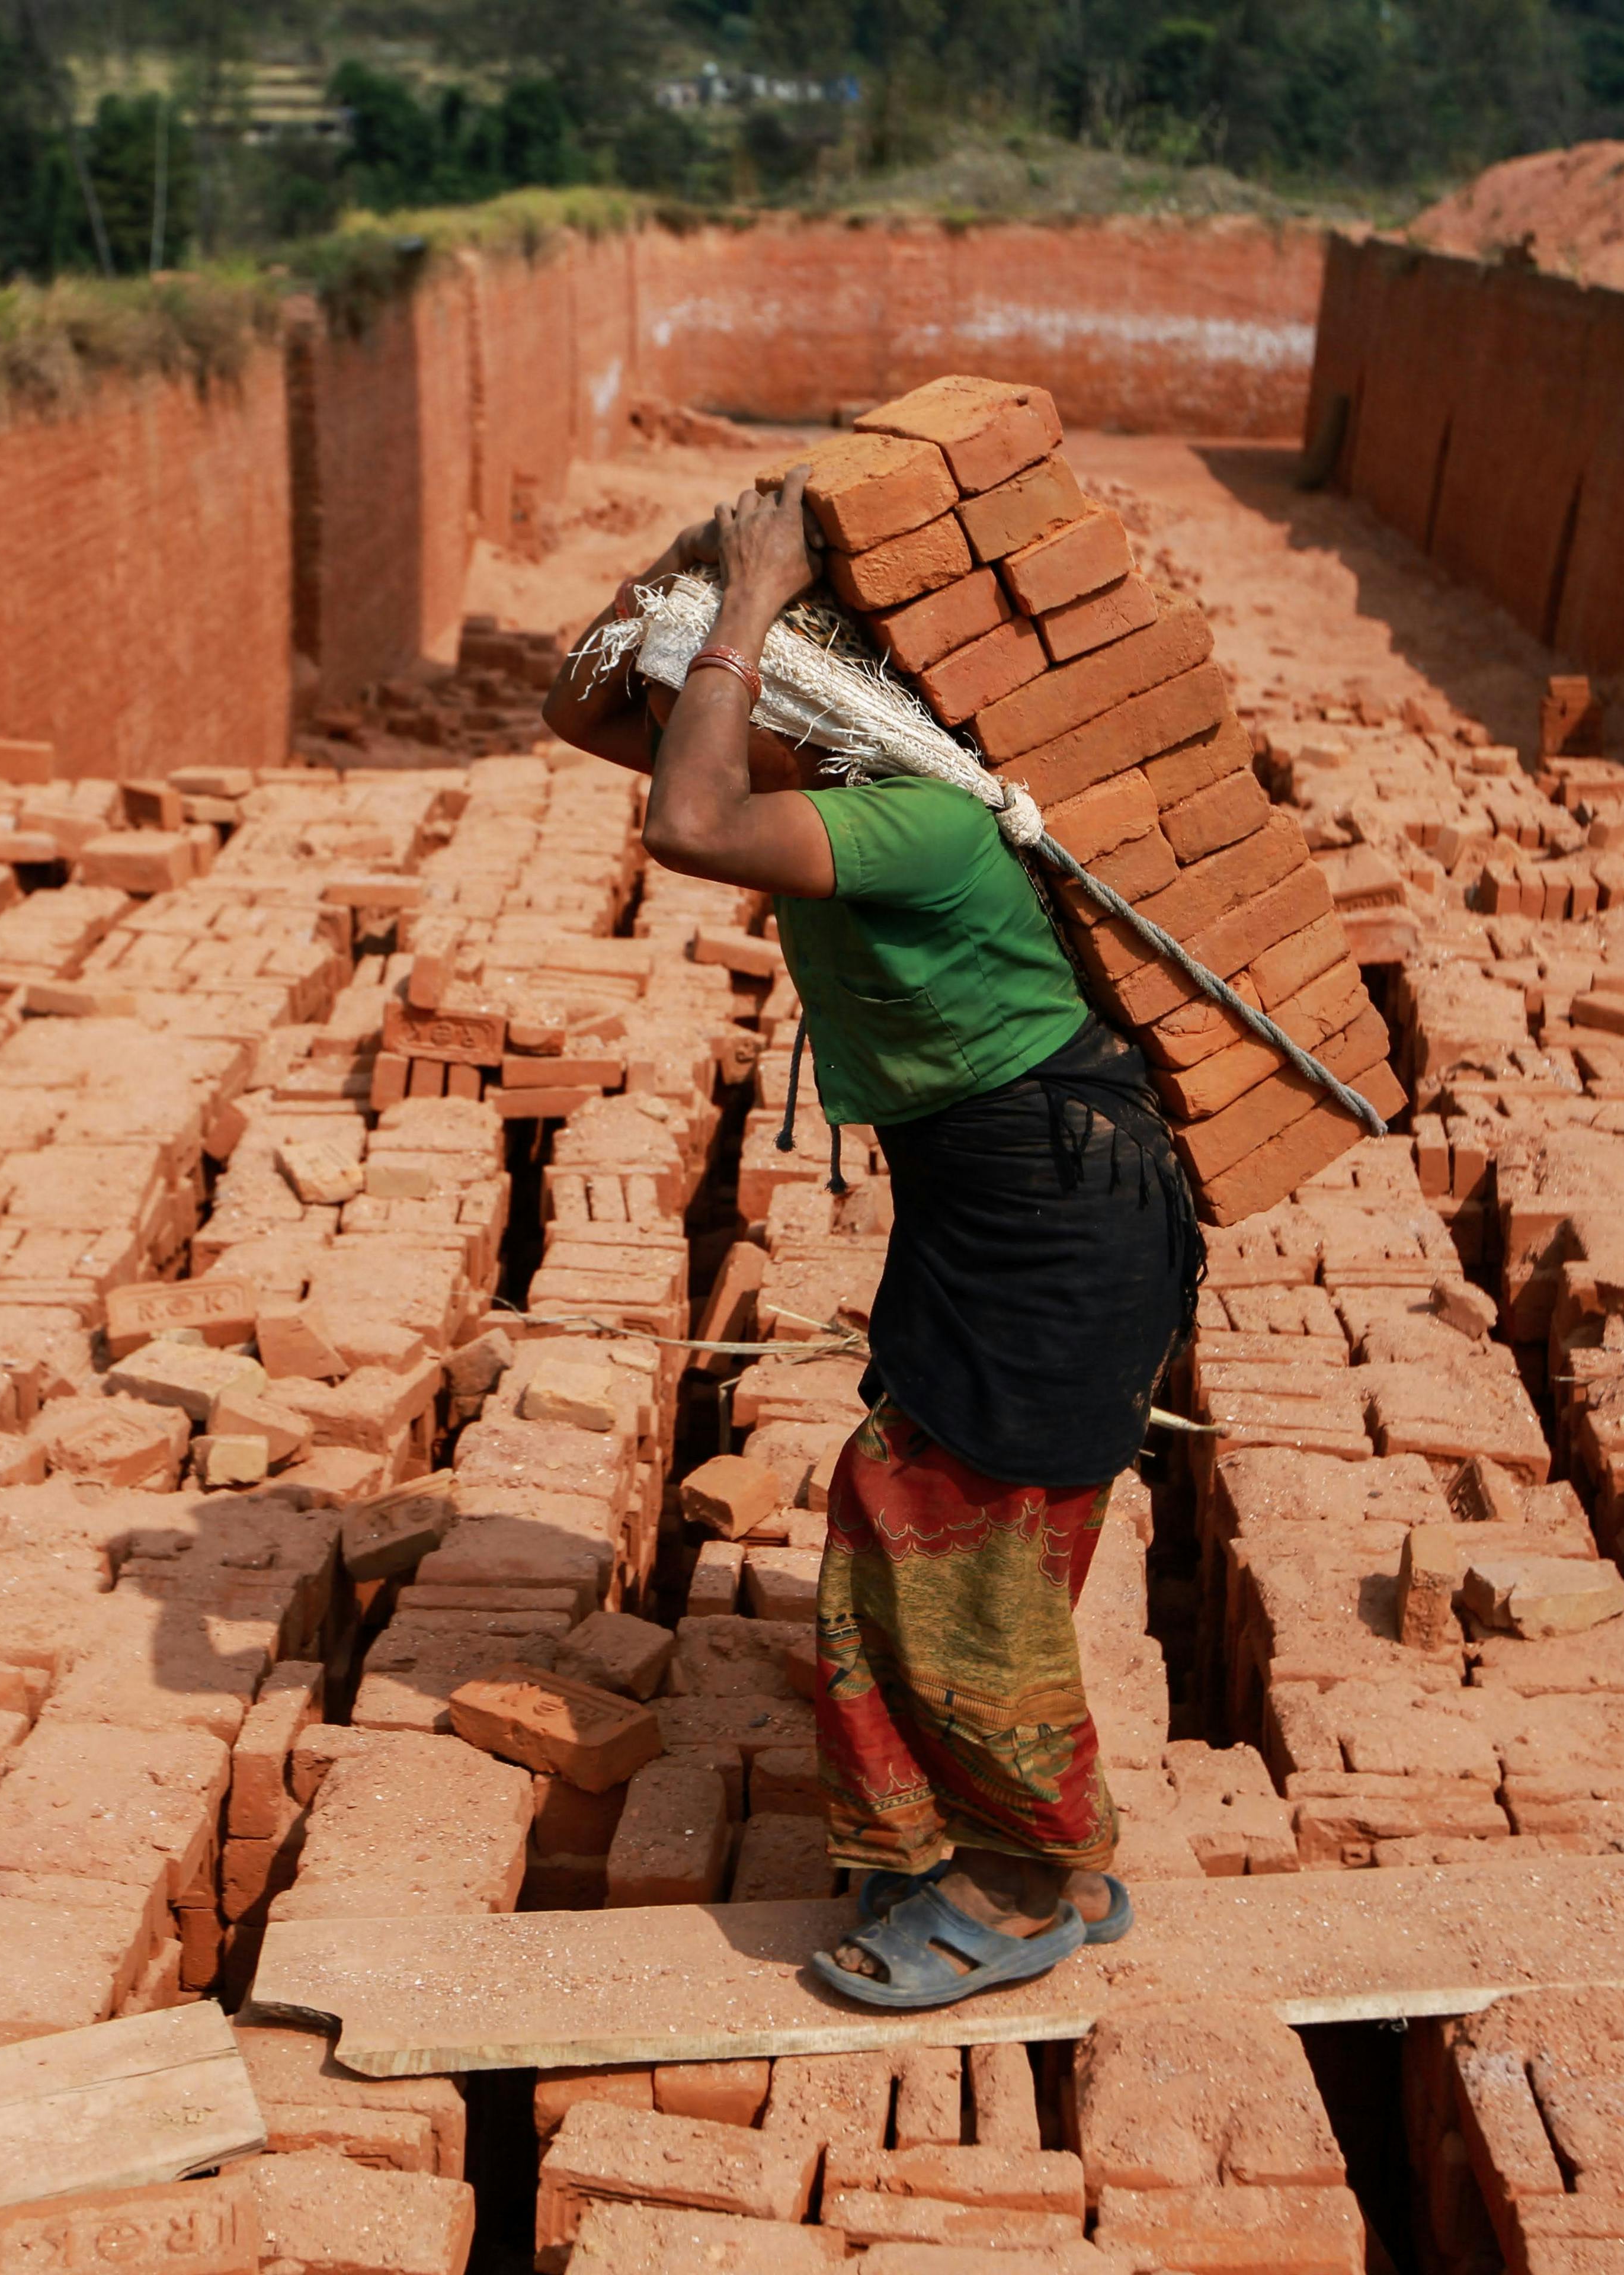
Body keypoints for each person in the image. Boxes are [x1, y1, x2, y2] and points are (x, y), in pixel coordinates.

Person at [542, 470, 1202, 2010]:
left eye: (716, 689)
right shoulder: (845, 788)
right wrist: (700, 568)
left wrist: (748, 610)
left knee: (947, 1534)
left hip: (1061, 1218)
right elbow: (581, 710)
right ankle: (1045, 1861)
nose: (682, 720)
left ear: (797, 703)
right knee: (946, 1527)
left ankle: (1021, 1886)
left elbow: (685, 813)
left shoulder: (918, 821)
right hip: (999, 1209)